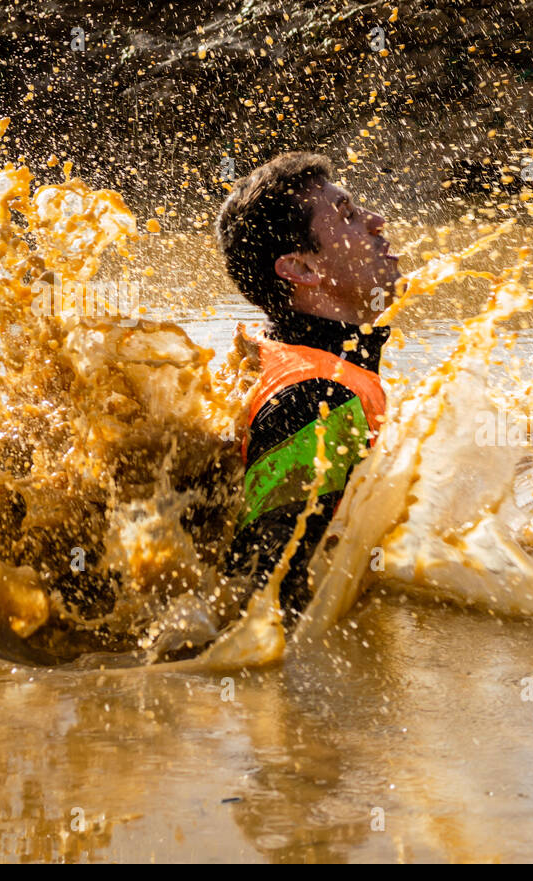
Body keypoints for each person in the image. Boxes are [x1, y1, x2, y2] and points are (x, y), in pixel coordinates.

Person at [214, 151, 401, 610]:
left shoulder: (278, 355)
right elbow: (265, 596)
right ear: (301, 269)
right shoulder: (317, 400)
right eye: (349, 215)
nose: (376, 221)